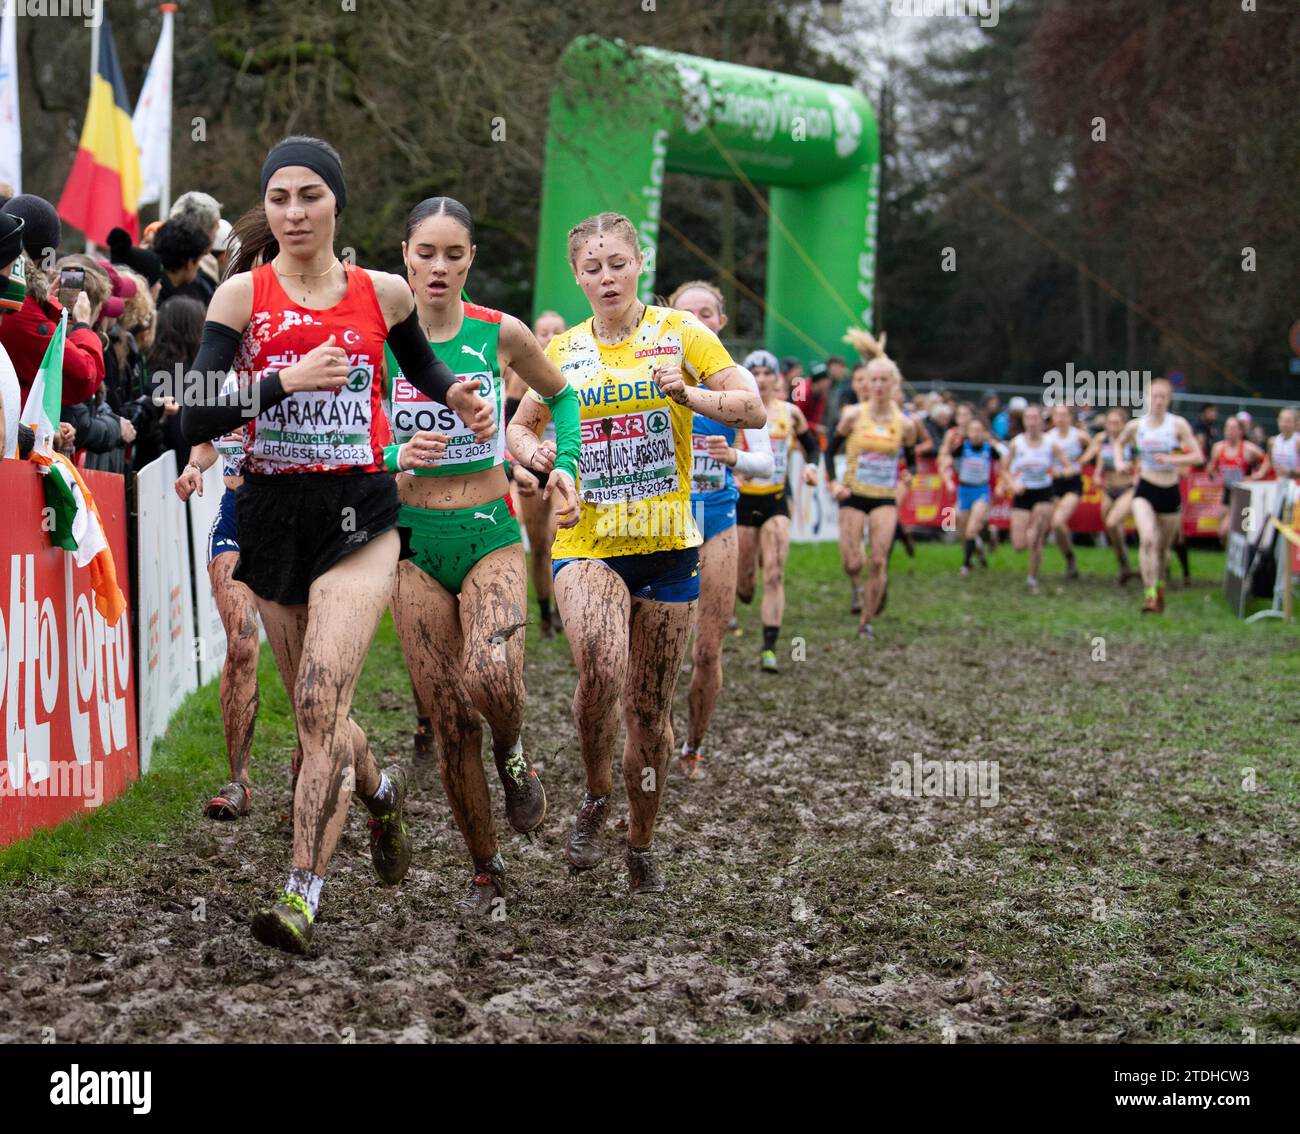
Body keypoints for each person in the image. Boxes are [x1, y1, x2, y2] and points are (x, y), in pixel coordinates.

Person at [180, 135, 492, 953]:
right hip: (274, 514)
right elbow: (193, 412)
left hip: (359, 512)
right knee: (324, 715)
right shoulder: (239, 298)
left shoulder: (380, 291)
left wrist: (456, 393)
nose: (292, 212)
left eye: (309, 196)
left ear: (336, 206)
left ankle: (299, 892)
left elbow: (420, 367)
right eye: (278, 197)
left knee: (320, 707)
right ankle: (382, 788)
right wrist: (283, 381)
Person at [508, 211, 764, 895]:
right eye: (592, 268)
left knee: (650, 712)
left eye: (616, 263)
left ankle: (642, 839)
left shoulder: (681, 332)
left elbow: (754, 407)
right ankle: (596, 794)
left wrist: (693, 393)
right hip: (587, 540)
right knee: (600, 666)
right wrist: (535, 455)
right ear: (577, 275)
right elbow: (519, 425)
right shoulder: (560, 352)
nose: (606, 276)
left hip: (668, 546)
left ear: (639, 262)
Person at [385, 196, 579, 915]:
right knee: (447, 718)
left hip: (490, 532)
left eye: (454, 254)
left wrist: (567, 463)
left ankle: (514, 752)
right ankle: (486, 868)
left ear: (471, 260)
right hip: (409, 545)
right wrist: (390, 453)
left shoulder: (500, 333)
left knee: (492, 677)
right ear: (404, 253)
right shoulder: (376, 340)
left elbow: (563, 398)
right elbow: (346, 439)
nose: (439, 267)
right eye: (426, 252)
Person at [667, 280, 773, 781]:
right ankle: (655, 732)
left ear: (720, 323)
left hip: (718, 518)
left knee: (707, 650)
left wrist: (736, 457)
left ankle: (694, 744)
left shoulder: (740, 381)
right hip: (661, 525)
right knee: (658, 651)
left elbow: (768, 464)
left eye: (706, 313)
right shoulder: (651, 373)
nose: (697, 322)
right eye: (686, 314)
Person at [825, 333, 919, 638]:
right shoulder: (853, 415)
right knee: (853, 563)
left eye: (883, 381)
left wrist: (909, 474)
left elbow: (911, 456)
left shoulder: (905, 424)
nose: (878, 386)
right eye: (873, 380)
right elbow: (830, 449)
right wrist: (834, 482)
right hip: (853, 493)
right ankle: (857, 581)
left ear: (894, 385)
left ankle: (865, 620)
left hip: (884, 497)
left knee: (879, 559)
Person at [735, 350, 819, 670]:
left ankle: (769, 648)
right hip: (743, 502)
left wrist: (811, 467)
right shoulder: (736, 410)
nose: (761, 378)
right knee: (744, 588)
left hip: (775, 500)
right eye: (754, 372)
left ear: (777, 379)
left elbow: (811, 445)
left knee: (775, 572)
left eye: (767, 372)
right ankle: (744, 588)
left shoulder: (789, 413)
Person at [0, 195, 105, 406]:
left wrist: (47, 307)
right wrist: (84, 325)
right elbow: (82, 377)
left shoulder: (25, 303)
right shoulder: (18, 308)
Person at [503, 309, 568, 638]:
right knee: (540, 544)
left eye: (557, 331)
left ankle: (564, 608)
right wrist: (516, 467)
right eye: (543, 332)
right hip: (532, 464)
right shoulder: (520, 376)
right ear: (533, 336)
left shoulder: (574, 367)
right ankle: (545, 613)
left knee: (560, 532)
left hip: (566, 463)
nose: (550, 337)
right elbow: (510, 425)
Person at [1114, 379, 1203, 613]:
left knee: (1163, 549)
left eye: (1163, 396)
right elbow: (1119, 442)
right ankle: (1149, 595)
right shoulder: (1137, 426)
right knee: (1147, 540)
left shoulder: (1177, 425)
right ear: (1147, 399)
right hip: (1145, 487)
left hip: (1170, 489)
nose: (1159, 401)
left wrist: (1173, 459)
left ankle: (1160, 587)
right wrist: (1120, 461)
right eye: (1155, 396)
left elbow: (1198, 456)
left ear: (1169, 399)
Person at [999, 404, 1064, 594]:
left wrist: (1057, 472)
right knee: (1019, 544)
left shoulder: (1050, 443)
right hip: (1023, 492)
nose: (1032, 422)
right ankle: (1031, 570)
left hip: (1044, 492)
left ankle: (1032, 577)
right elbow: (1004, 469)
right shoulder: (1016, 443)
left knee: (1035, 537)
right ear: (1024, 421)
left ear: (1041, 421)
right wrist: (1012, 485)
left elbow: (1068, 467)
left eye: (1036, 418)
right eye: (1028, 418)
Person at [939, 413, 1001, 576]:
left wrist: (1002, 484)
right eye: (972, 430)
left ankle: (966, 565)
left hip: (981, 490)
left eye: (979, 430)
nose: (975, 434)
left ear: (984, 432)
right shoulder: (962, 448)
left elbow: (1005, 462)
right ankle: (982, 545)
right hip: (964, 491)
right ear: (968, 432)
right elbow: (946, 463)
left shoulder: (990, 449)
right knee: (963, 529)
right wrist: (948, 479)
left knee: (972, 528)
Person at [1079, 408, 1136, 584]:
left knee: (1113, 522)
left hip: (1128, 488)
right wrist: (1095, 473)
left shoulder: (1131, 441)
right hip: (1109, 489)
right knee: (1112, 528)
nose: (1112, 427)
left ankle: (1140, 561)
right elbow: (1089, 458)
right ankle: (1123, 563)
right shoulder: (1101, 439)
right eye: (1109, 423)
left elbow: (1141, 463)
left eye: (1116, 423)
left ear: (1124, 424)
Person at [1045, 402, 1092, 579]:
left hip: (1073, 483)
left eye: (1064, 415)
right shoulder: (1048, 437)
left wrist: (1079, 463)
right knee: (1058, 527)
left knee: (1057, 522)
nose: (1060, 418)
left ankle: (1071, 559)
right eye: (1057, 415)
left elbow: (1095, 447)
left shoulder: (1078, 436)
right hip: (1054, 484)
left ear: (1070, 417)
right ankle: (1069, 559)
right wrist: (1052, 470)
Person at [1206, 415, 1266, 543]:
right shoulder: (1218, 448)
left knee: (1225, 530)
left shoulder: (1249, 449)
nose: (1229, 431)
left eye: (1233, 428)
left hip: (1243, 494)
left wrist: (1256, 476)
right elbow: (1211, 468)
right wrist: (1213, 472)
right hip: (1227, 492)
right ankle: (1232, 558)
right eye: (1227, 427)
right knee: (1221, 534)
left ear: (1240, 431)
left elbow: (1267, 462)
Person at [153, 217, 213, 309]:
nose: (200, 268)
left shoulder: (151, 288)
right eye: (199, 261)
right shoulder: (168, 303)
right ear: (189, 263)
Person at [1267, 407, 1299, 481]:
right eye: (1282, 420)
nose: (1284, 424)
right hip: (1279, 483)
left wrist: (1291, 472)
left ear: (1295, 423)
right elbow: (1269, 464)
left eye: (1288, 421)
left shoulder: (1297, 441)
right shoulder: (1272, 441)